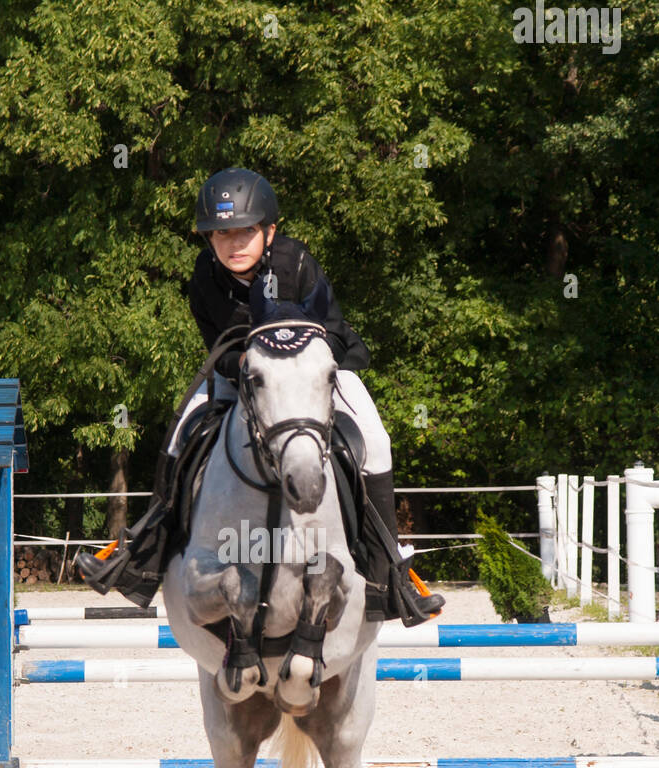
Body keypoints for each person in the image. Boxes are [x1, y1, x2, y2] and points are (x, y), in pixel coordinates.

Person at [78, 167, 444, 624]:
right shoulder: (204, 277)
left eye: (245, 231)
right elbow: (217, 345)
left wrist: (299, 368)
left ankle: (389, 572)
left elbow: (331, 329)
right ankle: (143, 553)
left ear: (269, 231)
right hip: (246, 378)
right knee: (179, 433)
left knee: (375, 435)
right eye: (222, 234)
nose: (234, 244)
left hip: (314, 373)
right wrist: (250, 367)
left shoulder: (296, 262)